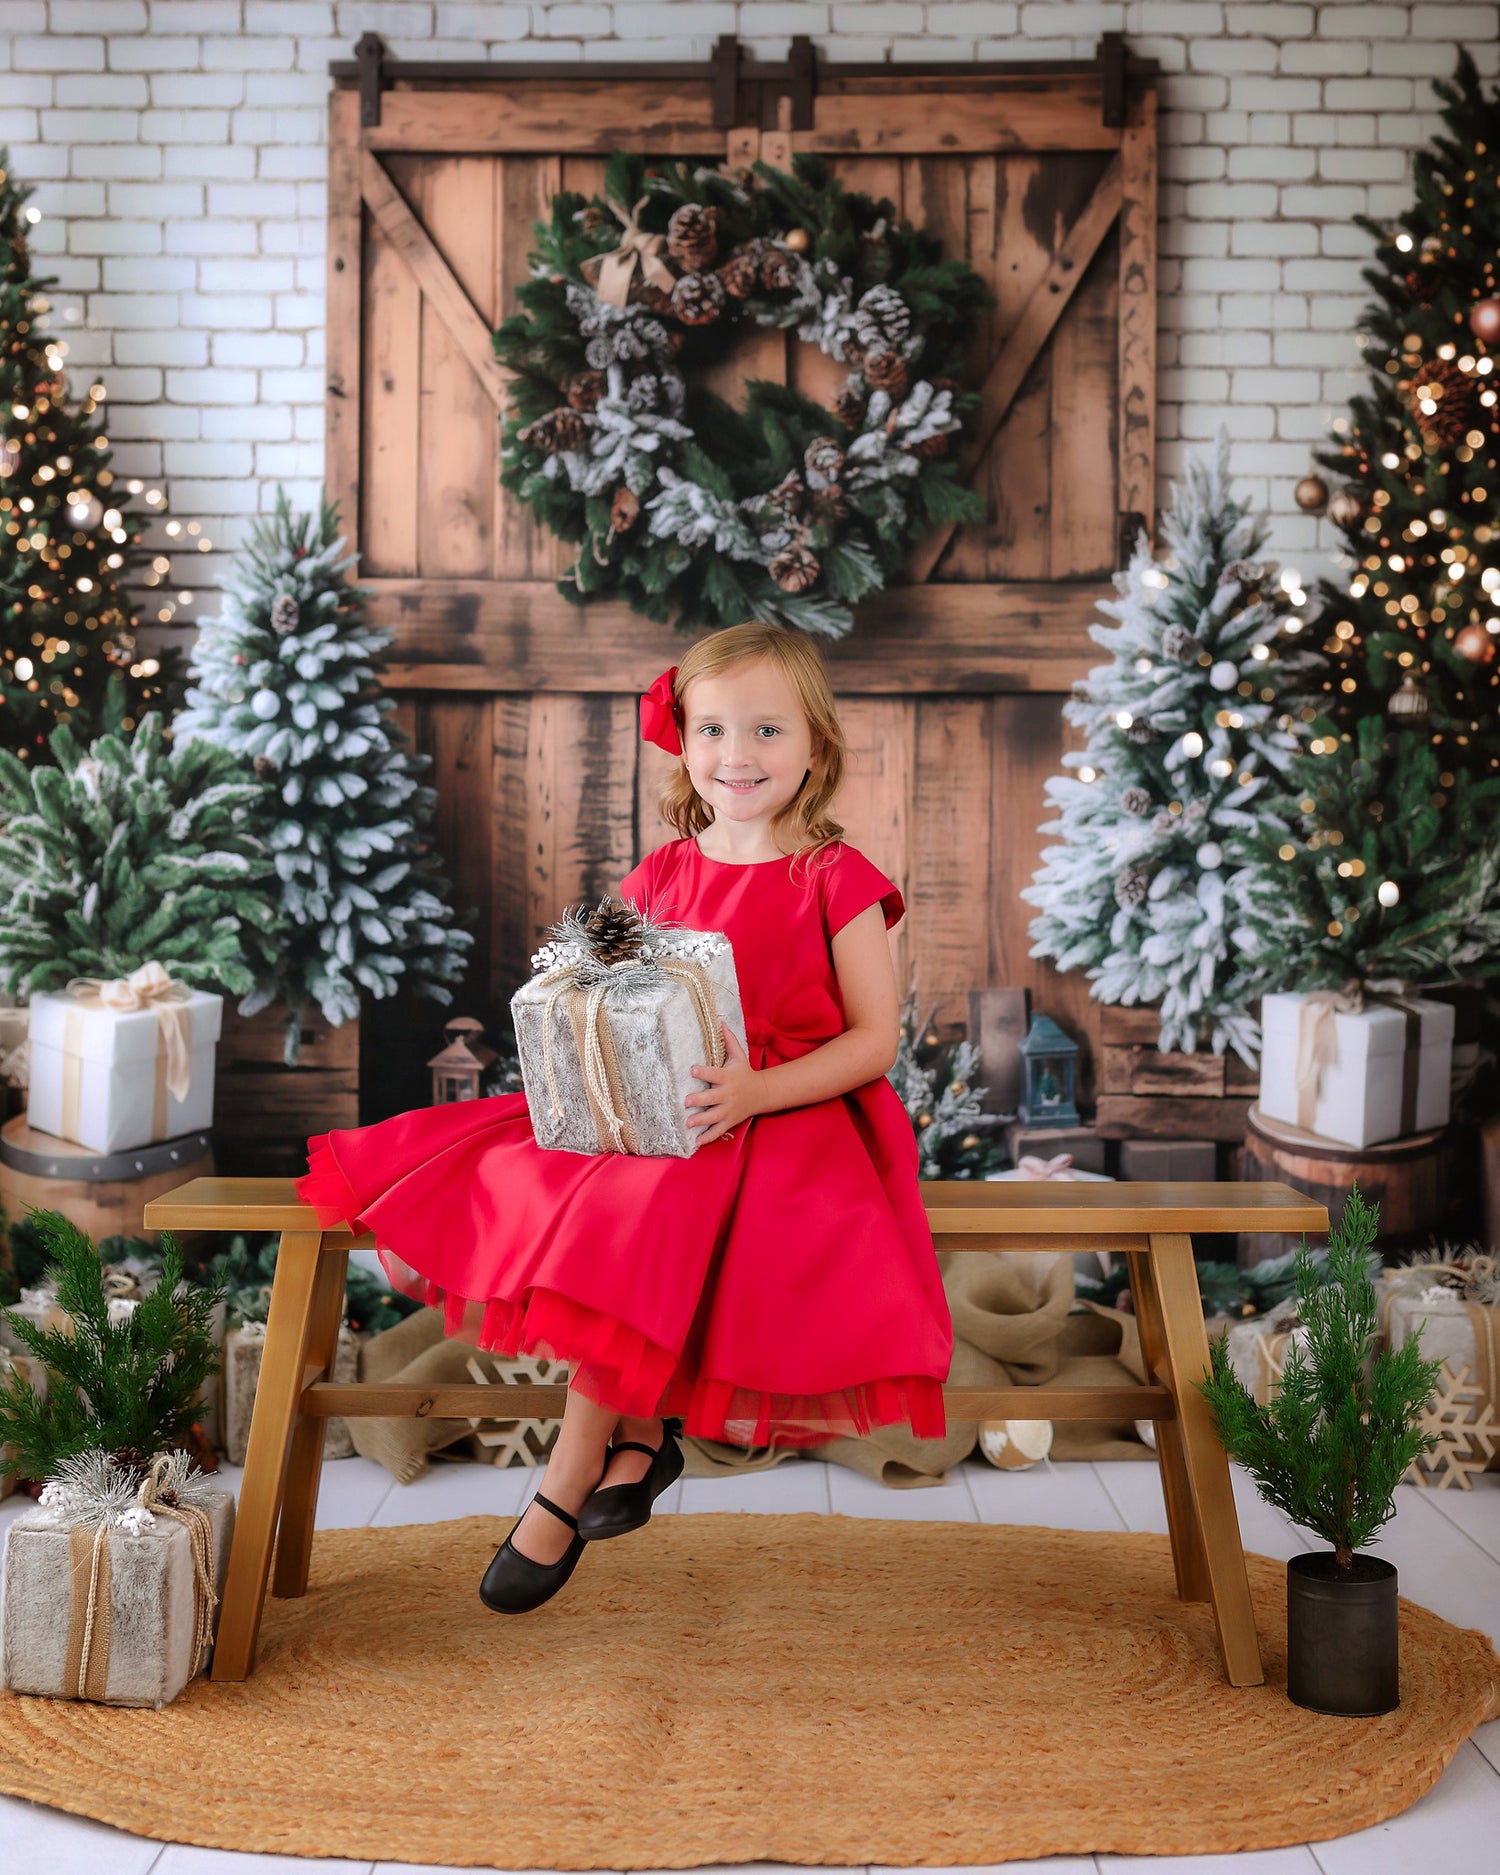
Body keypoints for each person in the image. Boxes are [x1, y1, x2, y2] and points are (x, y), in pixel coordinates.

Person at [295, 621, 953, 1614]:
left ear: (816, 745)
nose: (740, 757)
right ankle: (639, 1439)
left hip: (791, 1110)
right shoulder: (659, 874)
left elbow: (873, 1042)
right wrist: (573, 995)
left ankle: (570, 1475)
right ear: (684, 743)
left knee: (650, 1210)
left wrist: (758, 1092)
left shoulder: (835, 878)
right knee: (544, 1173)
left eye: (769, 731)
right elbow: (608, 991)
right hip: (666, 1103)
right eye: (717, 731)